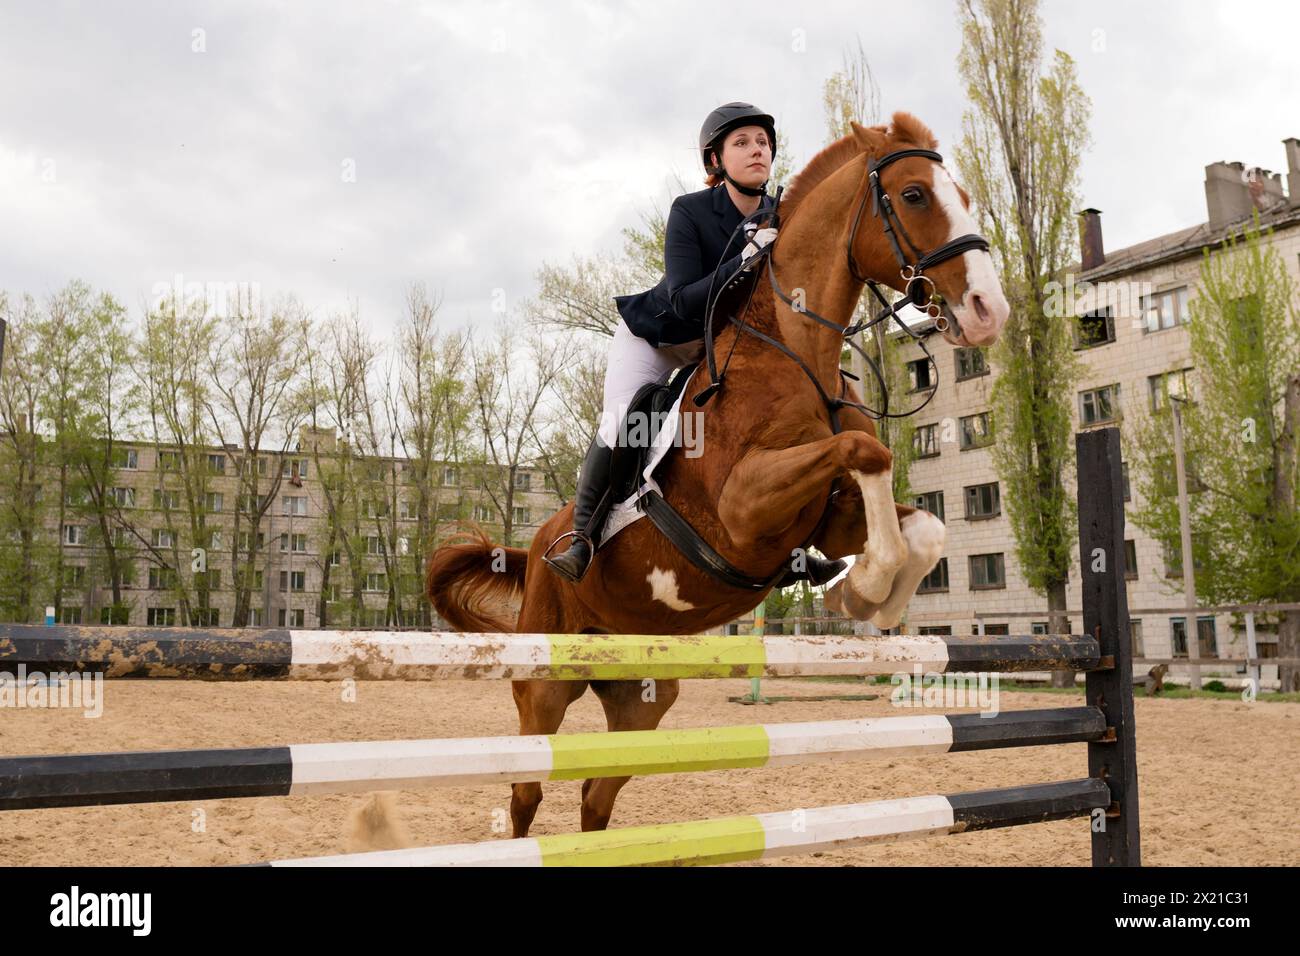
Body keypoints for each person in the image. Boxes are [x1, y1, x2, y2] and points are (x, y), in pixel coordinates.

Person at [543, 102, 845, 589]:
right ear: (716, 161)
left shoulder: (781, 215)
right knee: (628, 421)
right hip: (661, 337)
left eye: (763, 143)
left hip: (719, 348)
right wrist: (746, 259)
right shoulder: (690, 211)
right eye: (742, 143)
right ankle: (582, 536)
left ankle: (793, 551)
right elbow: (684, 301)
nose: (756, 150)